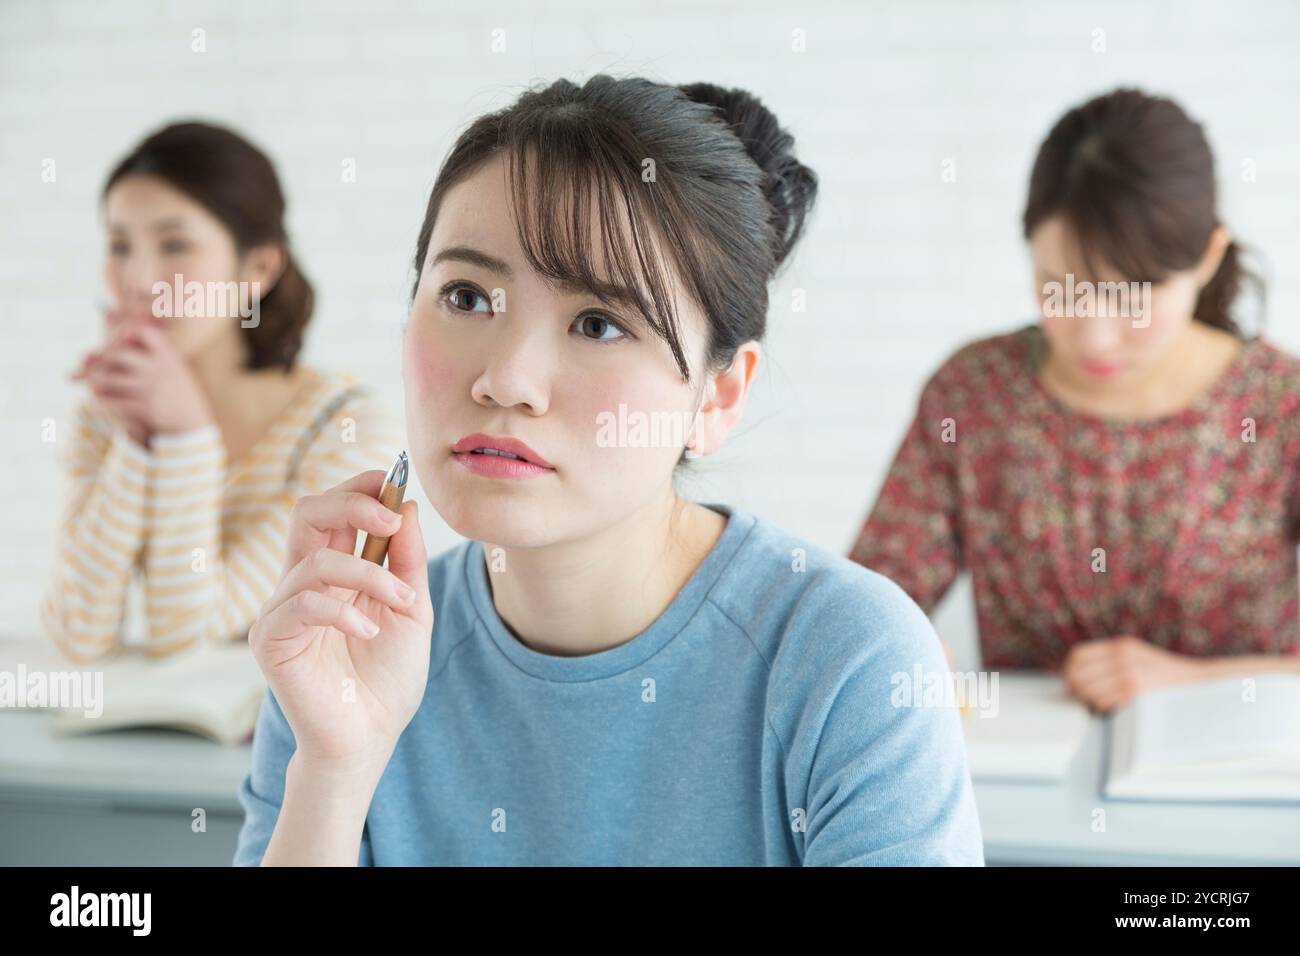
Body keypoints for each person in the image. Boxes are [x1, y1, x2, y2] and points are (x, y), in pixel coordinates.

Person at [234, 75, 984, 866]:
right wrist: (335, 768)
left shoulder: (849, 662)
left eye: (597, 323)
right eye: (466, 296)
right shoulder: (349, 641)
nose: (506, 381)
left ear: (717, 394)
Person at [850, 89, 1300, 713]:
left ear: (1207, 257)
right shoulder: (974, 395)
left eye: (1131, 297)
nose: (1095, 334)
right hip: (1028, 789)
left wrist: (1188, 683)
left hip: (1240, 781)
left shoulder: (1281, 406)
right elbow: (868, 604)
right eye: (1059, 289)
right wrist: (898, 653)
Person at [42, 122, 403, 662]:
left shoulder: (343, 426)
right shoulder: (105, 416)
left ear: (258, 267)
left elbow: (188, 637)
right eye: (119, 245)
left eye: (174, 245)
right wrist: (138, 442)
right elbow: (77, 634)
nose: (139, 279)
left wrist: (186, 434)